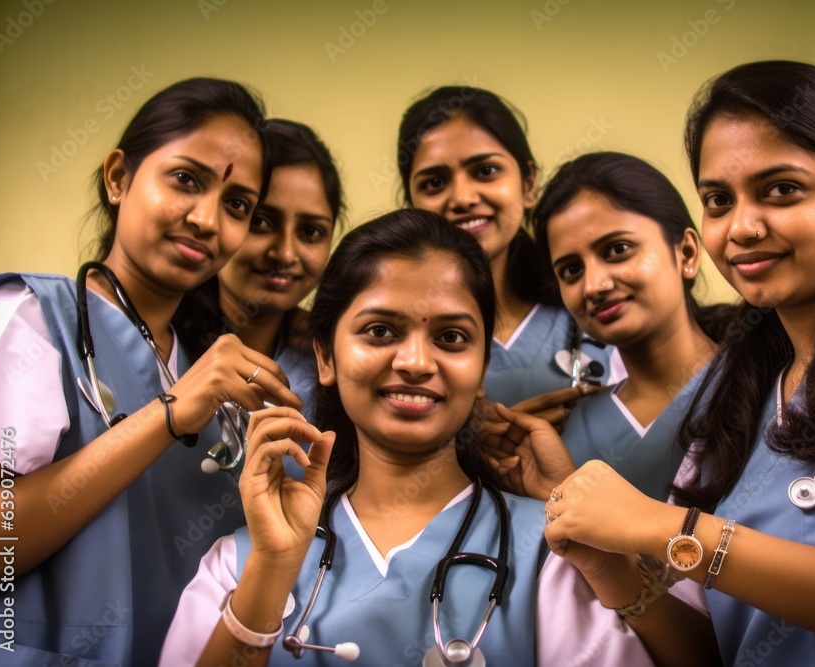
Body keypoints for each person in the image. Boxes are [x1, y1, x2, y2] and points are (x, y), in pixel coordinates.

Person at [537, 61, 815, 666]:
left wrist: (661, 526)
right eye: (719, 200)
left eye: (781, 189)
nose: (742, 227)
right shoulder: (734, 412)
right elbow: (708, 653)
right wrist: (606, 564)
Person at [161, 210, 666, 667]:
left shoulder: (553, 554)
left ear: (483, 367)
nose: (417, 363)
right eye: (380, 331)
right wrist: (270, 570)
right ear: (326, 358)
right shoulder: (239, 559)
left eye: (451, 338)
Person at [0, 78, 301, 666]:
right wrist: (169, 414)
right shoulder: (32, 319)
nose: (208, 220)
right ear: (118, 178)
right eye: (186, 179)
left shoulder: (215, 379)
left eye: (237, 207)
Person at [397, 86, 621, 423]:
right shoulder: (386, 330)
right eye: (434, 183)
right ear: (410, 205)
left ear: (529, 184)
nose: (462, 197)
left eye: (485, 171)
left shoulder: (598, 307)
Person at [518, 152, 728, 502]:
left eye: (618, 249)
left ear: (687, 253)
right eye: (571, 270)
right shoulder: (568, 433)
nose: (594, 285)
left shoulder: (768, 386)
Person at [194, 119, 344, 425]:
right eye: (260, 222)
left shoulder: (333, 367)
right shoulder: (161, 346)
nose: (285, 254)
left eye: (311, 232)